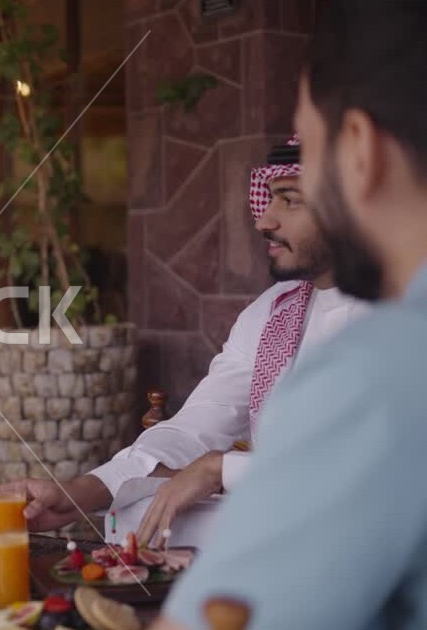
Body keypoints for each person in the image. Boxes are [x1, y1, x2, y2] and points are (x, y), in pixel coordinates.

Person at [154, 1, 427, 627]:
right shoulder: (277, 318)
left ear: (358, 147)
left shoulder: (376, 374)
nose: (265, 220)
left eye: (314, 144)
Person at [0, 138, 367, 547]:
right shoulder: (275, 312)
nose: (263, 221)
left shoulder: (404, 316)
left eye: (289, 200)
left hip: (366, 522)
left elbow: (366, 464)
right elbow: (196, 426)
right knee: (139, 514)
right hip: (279, 508)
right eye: (269, 198)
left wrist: (219, 470)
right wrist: (79, 492)